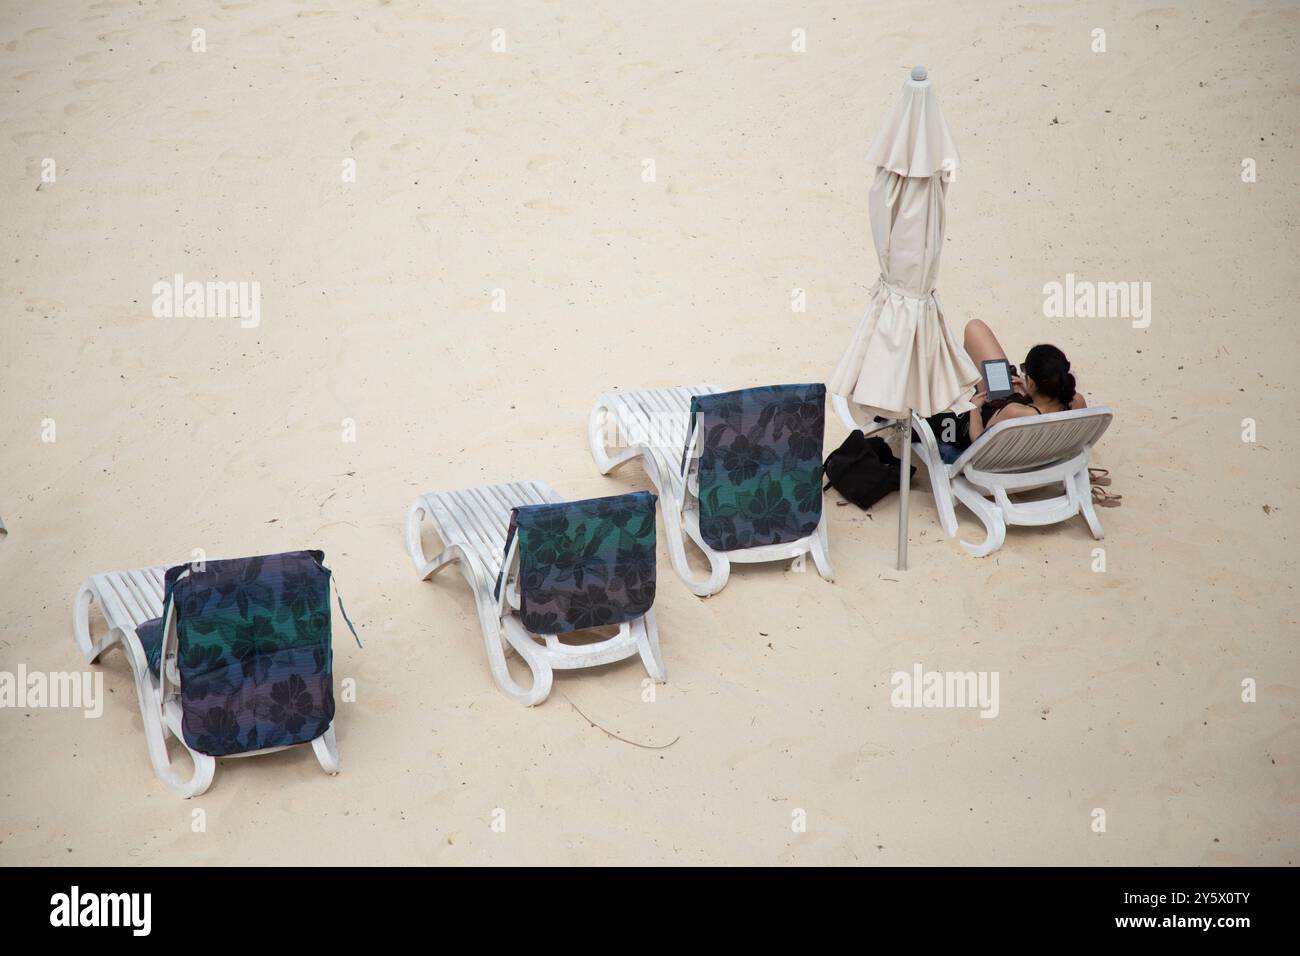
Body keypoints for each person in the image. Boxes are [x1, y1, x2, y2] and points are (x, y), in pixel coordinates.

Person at [925, 320, 1086, 456]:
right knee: (976, 330)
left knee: (975, 328)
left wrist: (974, 408)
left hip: (989, 425)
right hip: (1037, 448)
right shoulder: (1076, 402)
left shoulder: (1015, 412)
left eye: (1026, 373)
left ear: (1033, 383)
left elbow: (978, 442)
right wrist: (1030, 393)